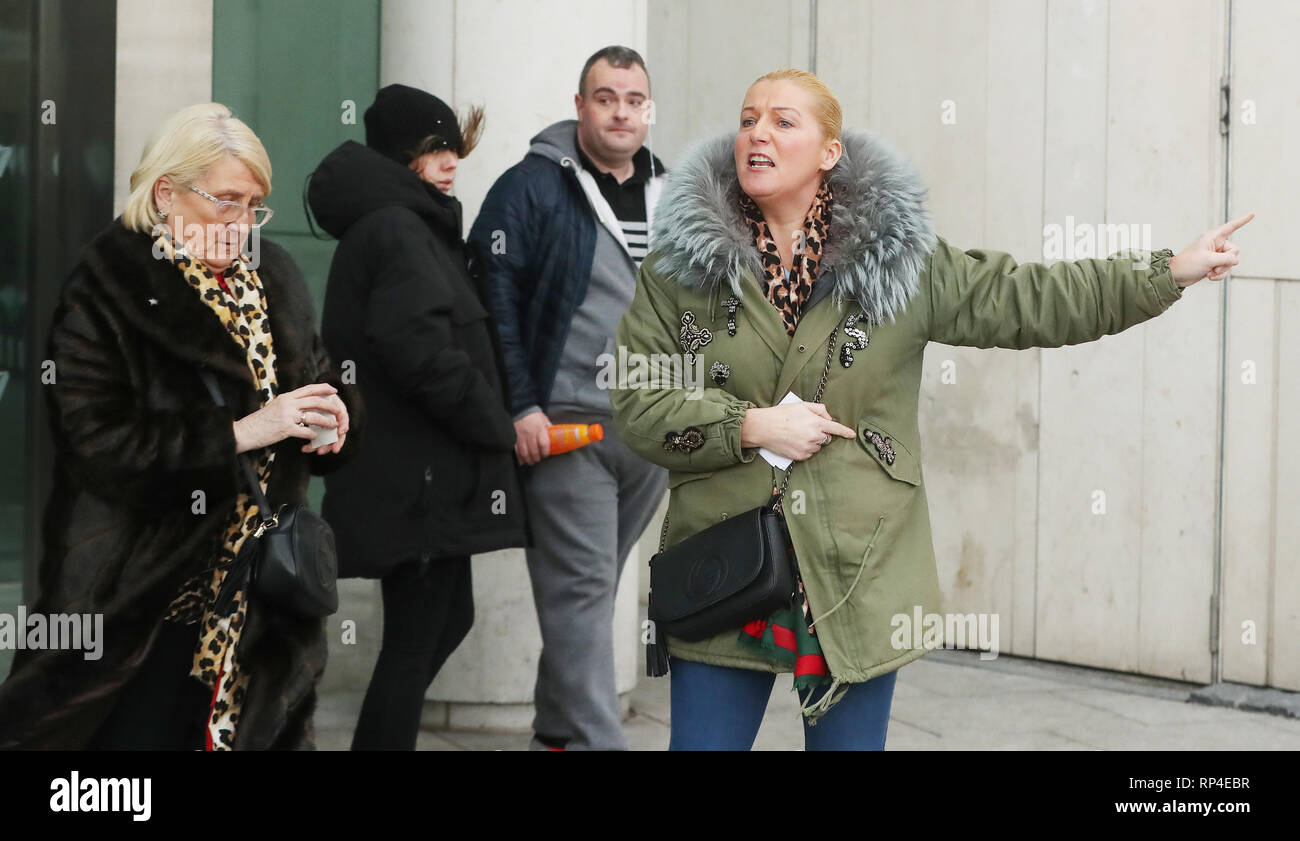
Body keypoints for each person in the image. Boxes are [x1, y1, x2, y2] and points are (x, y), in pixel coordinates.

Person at [610, 68, 1253, 750]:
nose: (757, 134)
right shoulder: (680, 268)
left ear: (830, 152)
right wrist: (747, 424)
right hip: (721, 560)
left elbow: (1031, 298)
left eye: (782, 121)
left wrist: (1167, 271)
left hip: (856, 566)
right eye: (747, 120)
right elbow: (638, 397)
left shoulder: (903, 264)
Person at [0, 102, 360, 750]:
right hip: (142, 594)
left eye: (254, 205)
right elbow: (97, 443)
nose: (242, 222)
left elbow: (321, 374)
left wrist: (334, 419)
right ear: (167, 192)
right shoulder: (109, 284)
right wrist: (243, 431)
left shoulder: (272, 274)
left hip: (261, 596)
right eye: (226, 200)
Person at [309, 84, 526, 750]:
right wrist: (497, 424)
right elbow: (419, 350)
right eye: (436, 149)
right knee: (414, 641)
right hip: (416, 479)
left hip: (416, 473)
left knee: (442, 619)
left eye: (454, 149)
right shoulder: (399, 229)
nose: (451, 162)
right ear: (402, 153)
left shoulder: (405, 225)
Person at [467, 46, 669, 751]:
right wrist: (521, 404)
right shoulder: (531, 187)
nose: (621, 111)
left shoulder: (671, 194)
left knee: (589, 593)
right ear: (580, 106)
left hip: (651, 432)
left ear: (649, 109)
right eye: (606, 96)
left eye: (634, 99)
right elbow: (491, 296)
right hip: (567, 429)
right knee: (582, 593)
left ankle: (555, 733)